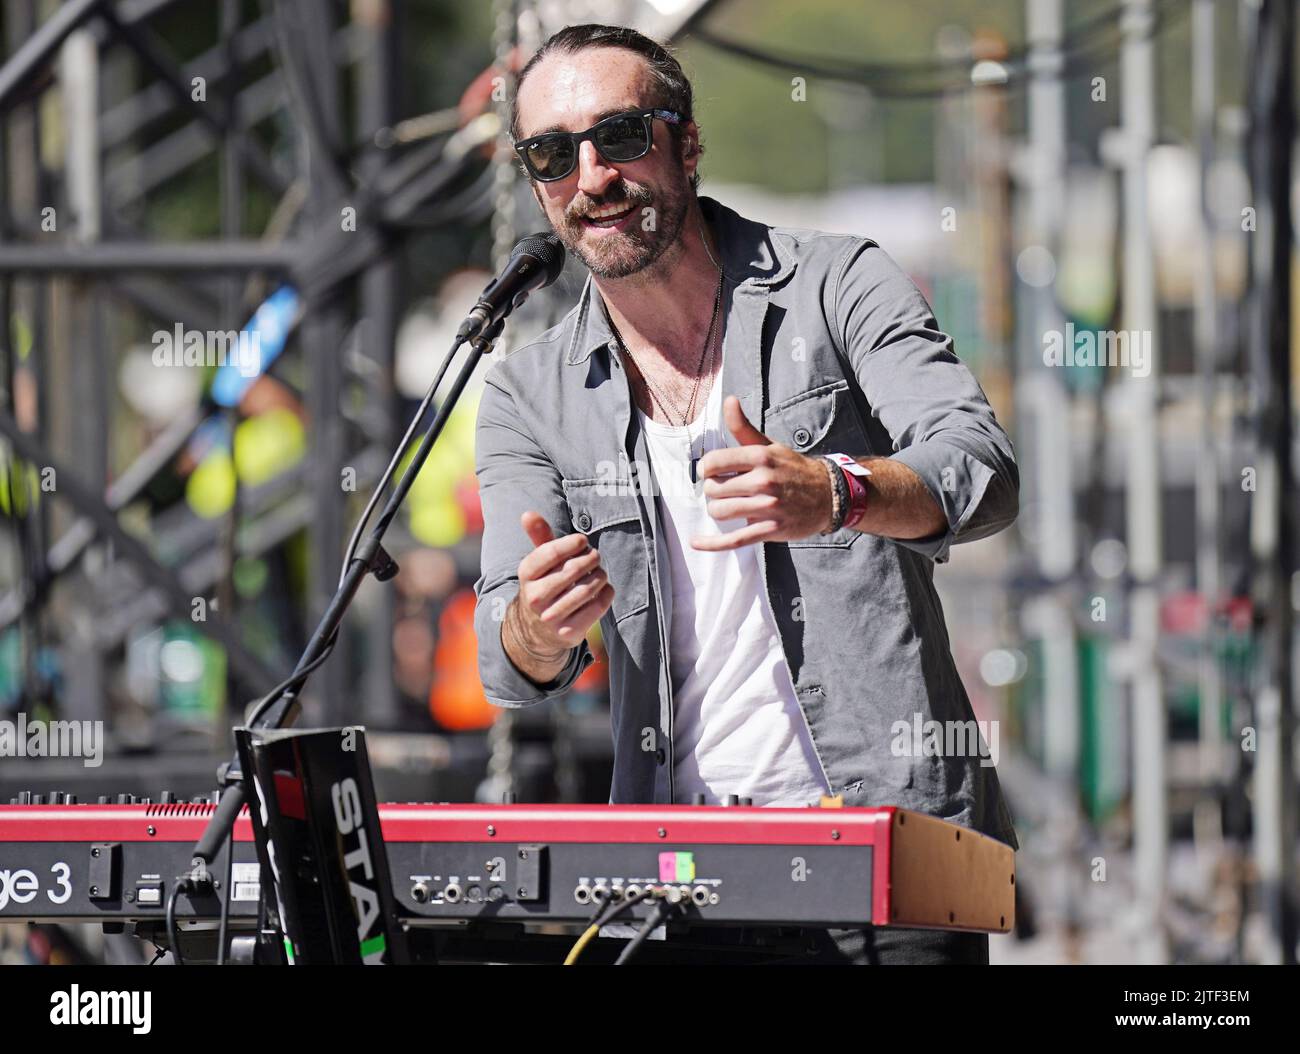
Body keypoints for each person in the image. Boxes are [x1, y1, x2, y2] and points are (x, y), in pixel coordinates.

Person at [473, 23, 1019, 964]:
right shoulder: (528, 394)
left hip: (885, 853)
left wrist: (838, 492)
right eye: (554, 155)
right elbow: (503, 651)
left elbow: (981, 465)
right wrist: (537, 624)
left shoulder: (839, 282)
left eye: (622, 137)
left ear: (687, 142)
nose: (592, 176)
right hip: (670, 876)